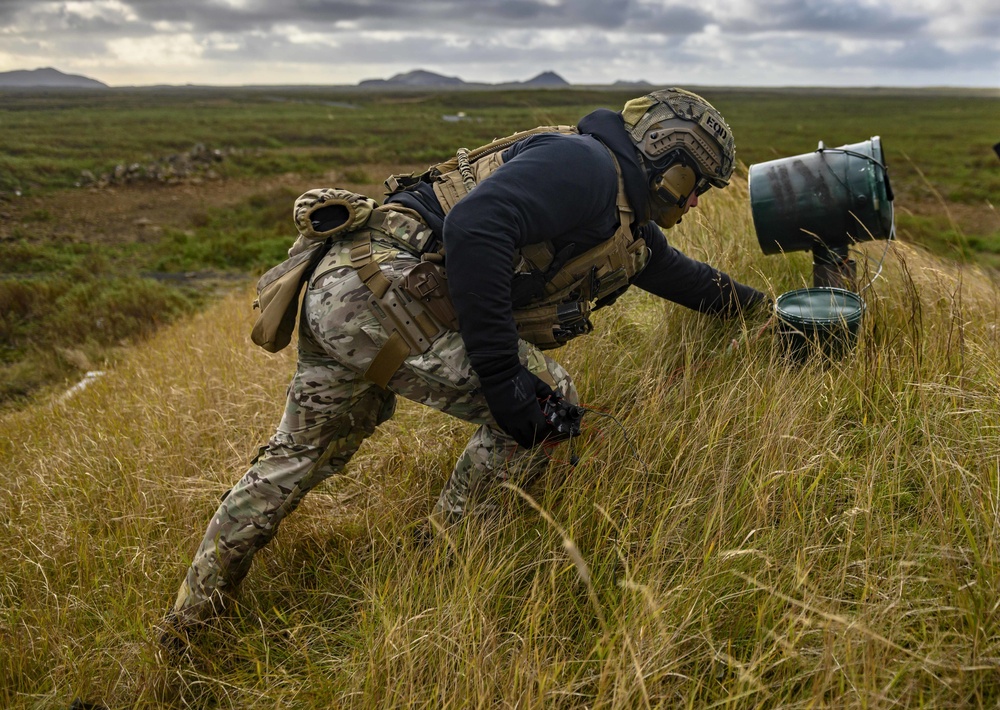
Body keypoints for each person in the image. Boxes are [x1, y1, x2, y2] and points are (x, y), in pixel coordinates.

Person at [160, 87, 768, 644]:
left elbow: (688, 281)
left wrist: (770, 314)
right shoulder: (586, 165)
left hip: (347, 291)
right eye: (693, 181)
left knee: (295, 457)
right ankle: (437, 565)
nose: (693, 199)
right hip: (377, 290)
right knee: (549, 401)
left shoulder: (627, 225)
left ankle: (188, 619)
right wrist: (504, 380)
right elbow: (478, 226)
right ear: (665, 156)